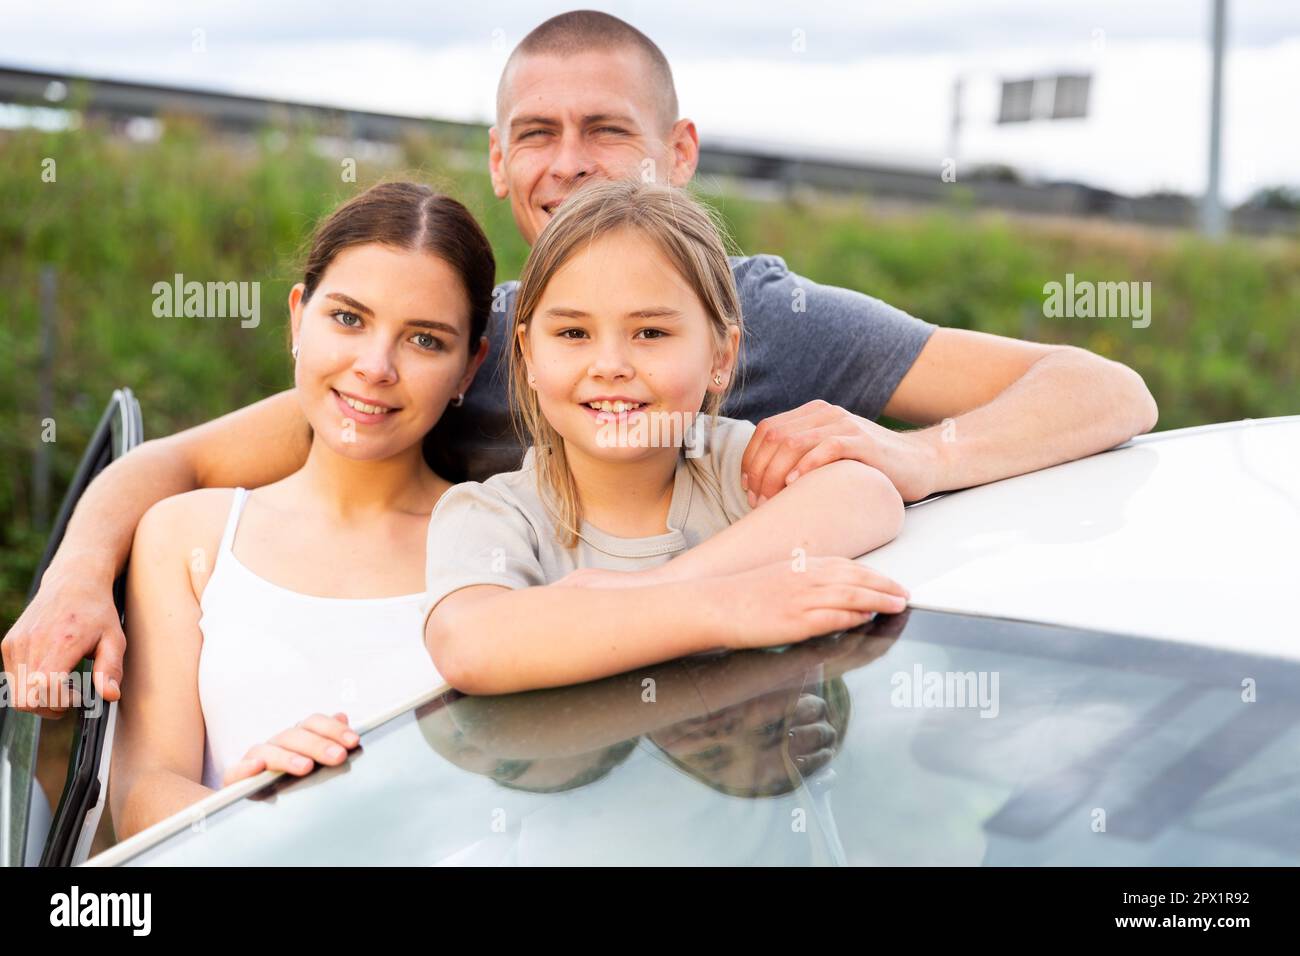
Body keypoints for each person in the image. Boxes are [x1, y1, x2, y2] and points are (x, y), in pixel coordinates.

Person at [4, 10, 1158, 717]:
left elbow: (1105, 388)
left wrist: (917, 456)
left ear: (677, 152)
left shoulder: (769, 316)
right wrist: (67, 584)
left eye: (607, 129)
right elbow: (178, 461)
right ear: (501, 164)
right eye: (539, 135)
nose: (573, 163)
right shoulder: (454, 350)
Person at [108, 182, 493, 838]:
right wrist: (251, 816)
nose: (375, 367)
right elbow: (140, 792)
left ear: (468, 368)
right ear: (297, 319)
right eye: (348, 318)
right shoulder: (187, 536)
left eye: (424, 340)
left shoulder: (498, 539)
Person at [423, 179, 908, 695]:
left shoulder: (731, 465)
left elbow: (866, 495)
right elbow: (467, 643)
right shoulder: (494, 516)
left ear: (721, 356)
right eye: (573, 334)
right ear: (528, 355)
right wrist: (719, 607)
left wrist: (657, 587)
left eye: (650, 333)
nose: (610, 366)